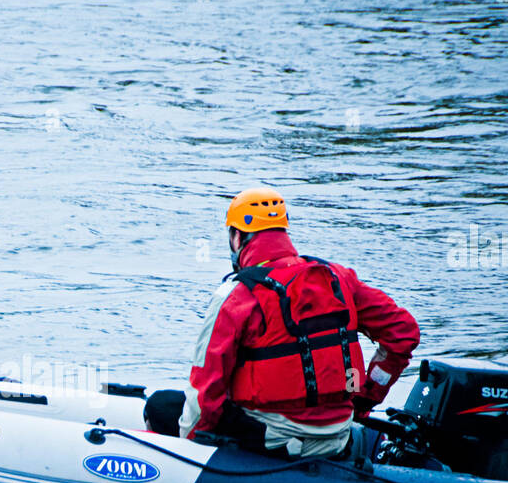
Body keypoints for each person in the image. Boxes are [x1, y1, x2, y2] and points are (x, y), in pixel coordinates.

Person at [144, 187, 420, 457]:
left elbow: (206, 392)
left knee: (160, 407)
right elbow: (403, 333)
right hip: (338, 435)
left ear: (237, 237)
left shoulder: (236, 296)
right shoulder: (339, 278)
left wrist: (194, 452)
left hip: (275, 440)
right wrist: (363, 400)